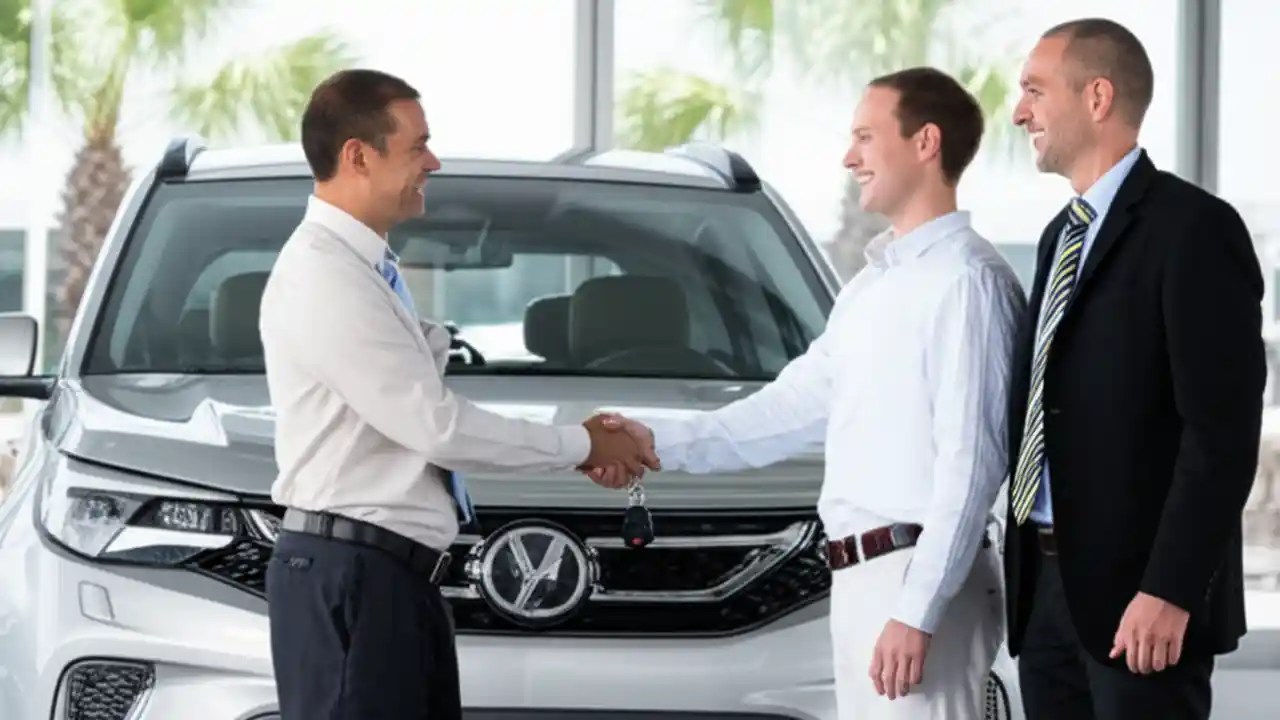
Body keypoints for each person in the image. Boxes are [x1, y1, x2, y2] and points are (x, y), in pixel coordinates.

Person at [587, 67, 1026, 719]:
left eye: (866, 137)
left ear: (925, 142)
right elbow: (785, 413)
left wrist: (917, 610)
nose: (850, 158)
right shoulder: (871, 288)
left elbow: (973, 468)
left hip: (915, 584)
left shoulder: (968, 283)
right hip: (857, 585)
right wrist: (655, 440)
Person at [258, 68, 656, 720]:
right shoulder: (325, 275)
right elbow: (435, 425)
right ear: (357, 156)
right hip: (355, 576)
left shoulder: (367, 270)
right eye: (418, 146)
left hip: (391, 578)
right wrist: (582, 443)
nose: (432, 162)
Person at [1003, 18, 1264, 719]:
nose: (1019, 111)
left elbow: (1220, 433)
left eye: (1033, 90)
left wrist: (1172, 589)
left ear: (1096, 97)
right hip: (1046, 595)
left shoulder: (1195, 229)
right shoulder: (1060, 237)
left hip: (1141, 601)